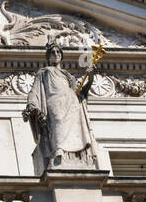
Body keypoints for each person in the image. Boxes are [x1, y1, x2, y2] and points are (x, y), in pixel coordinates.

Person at [23, 41, 98, 169]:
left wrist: (90, 78)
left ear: (61, 55)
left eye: (58, 52)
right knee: (57, 122)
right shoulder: (44, 72)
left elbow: (79, 94)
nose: (56, 54)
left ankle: (74, 157)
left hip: (71, 103)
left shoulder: (68, 76)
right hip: (54, 102)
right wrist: (32, 105)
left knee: (74, 130)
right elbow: (35, 91)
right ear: (48, 56)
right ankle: (58, 154)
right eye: (52, 52)